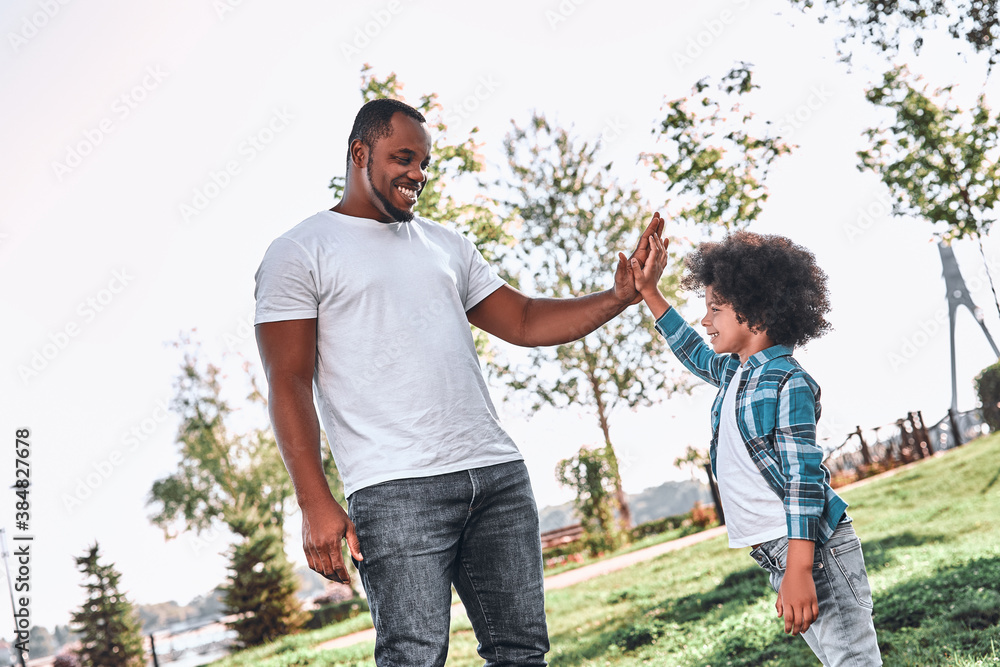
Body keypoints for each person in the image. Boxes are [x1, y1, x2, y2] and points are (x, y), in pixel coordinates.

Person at [253, 97, 663, 666]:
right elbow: (288, 381)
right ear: (359, 153)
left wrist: (620, 296)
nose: (418, 175)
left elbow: (522, 321)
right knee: (414, 658)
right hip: (395, 491)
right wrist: (315, 501)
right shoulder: (299, 251)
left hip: (496, 477)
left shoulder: (447, 245)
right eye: (404, 158)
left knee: (522, 653)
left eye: (424, 163)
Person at [628, 230, 882, 665]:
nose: (705, 321)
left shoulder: (787, 380)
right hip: (779, 552)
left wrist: (800, 567)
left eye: (716, 310)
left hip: (811, 547)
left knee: (852, 659)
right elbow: (690, 349)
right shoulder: (734, 373)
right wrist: (649, 291)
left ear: (758, 315)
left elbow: (806, 479)